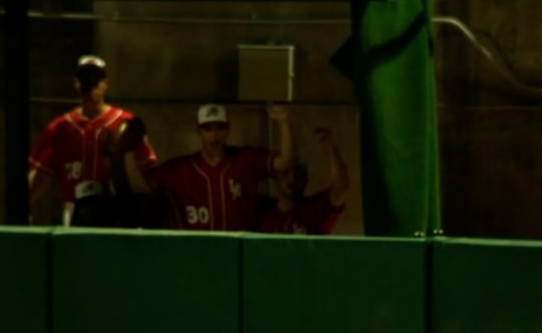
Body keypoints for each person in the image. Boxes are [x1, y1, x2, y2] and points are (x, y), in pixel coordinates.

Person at [27, 55, 157, 227]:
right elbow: (40, 175)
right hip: (74, 209)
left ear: (105, 83)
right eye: (85, 80)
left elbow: (150, 171)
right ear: (76, 83)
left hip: (117, 208)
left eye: (96, 80)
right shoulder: (60, 128)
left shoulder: (125, 123)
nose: (91, 85)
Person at [142, 103, 294, 231]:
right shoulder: (181, 169)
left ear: (228, 130)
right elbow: (141, 185)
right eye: (207, 129)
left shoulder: (245, 159)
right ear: (199, 132)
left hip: (238, 250)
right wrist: (131, 150)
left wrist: (284, 124)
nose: (214, 135)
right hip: (196, 252)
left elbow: (284, 162)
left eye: (220, 128)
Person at [257, 126, 350, 235]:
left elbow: (341, 189)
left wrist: (330, 146)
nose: (292, 179)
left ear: (306, 179)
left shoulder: (314, 210)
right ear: (276, 176)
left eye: (298, 174)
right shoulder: (261, 208)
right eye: (285, 173)